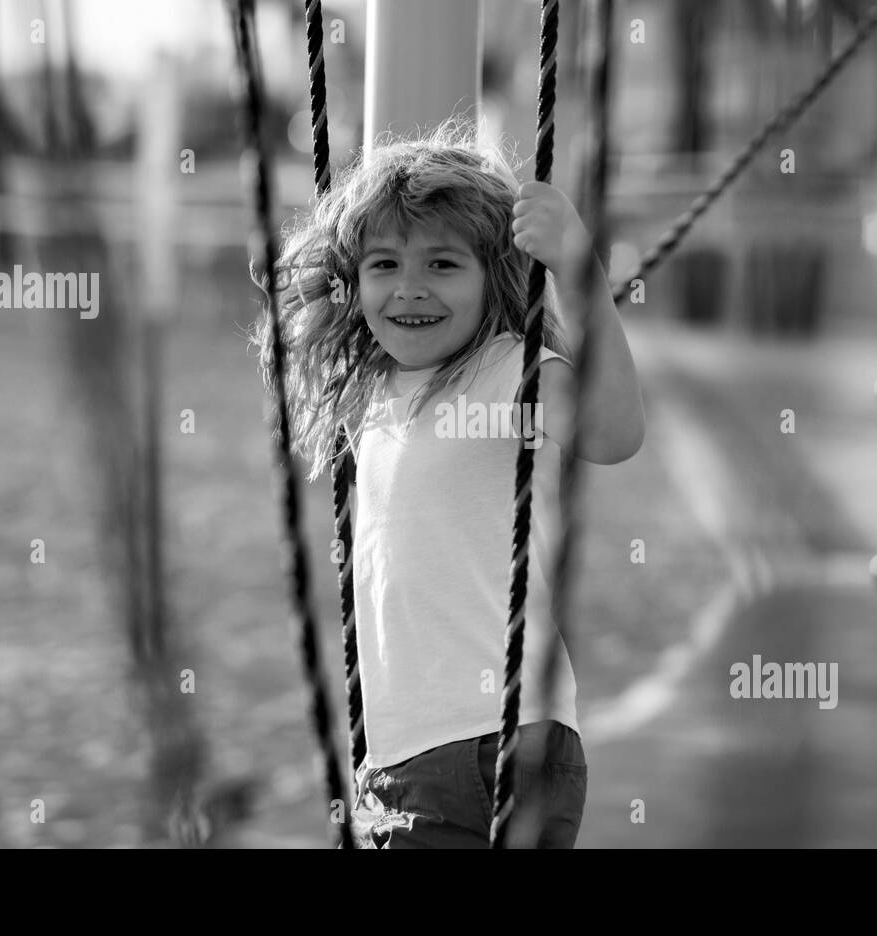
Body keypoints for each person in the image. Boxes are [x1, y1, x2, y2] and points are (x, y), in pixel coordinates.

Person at [254, 120, 645, 848]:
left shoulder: (506, 370)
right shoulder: (375, 395)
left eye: (442, 264)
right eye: (383, 265)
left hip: (492, 743)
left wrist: (578, 271)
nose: (409, 290)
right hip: (411, 754)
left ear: (492, 273)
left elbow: (614, 430)